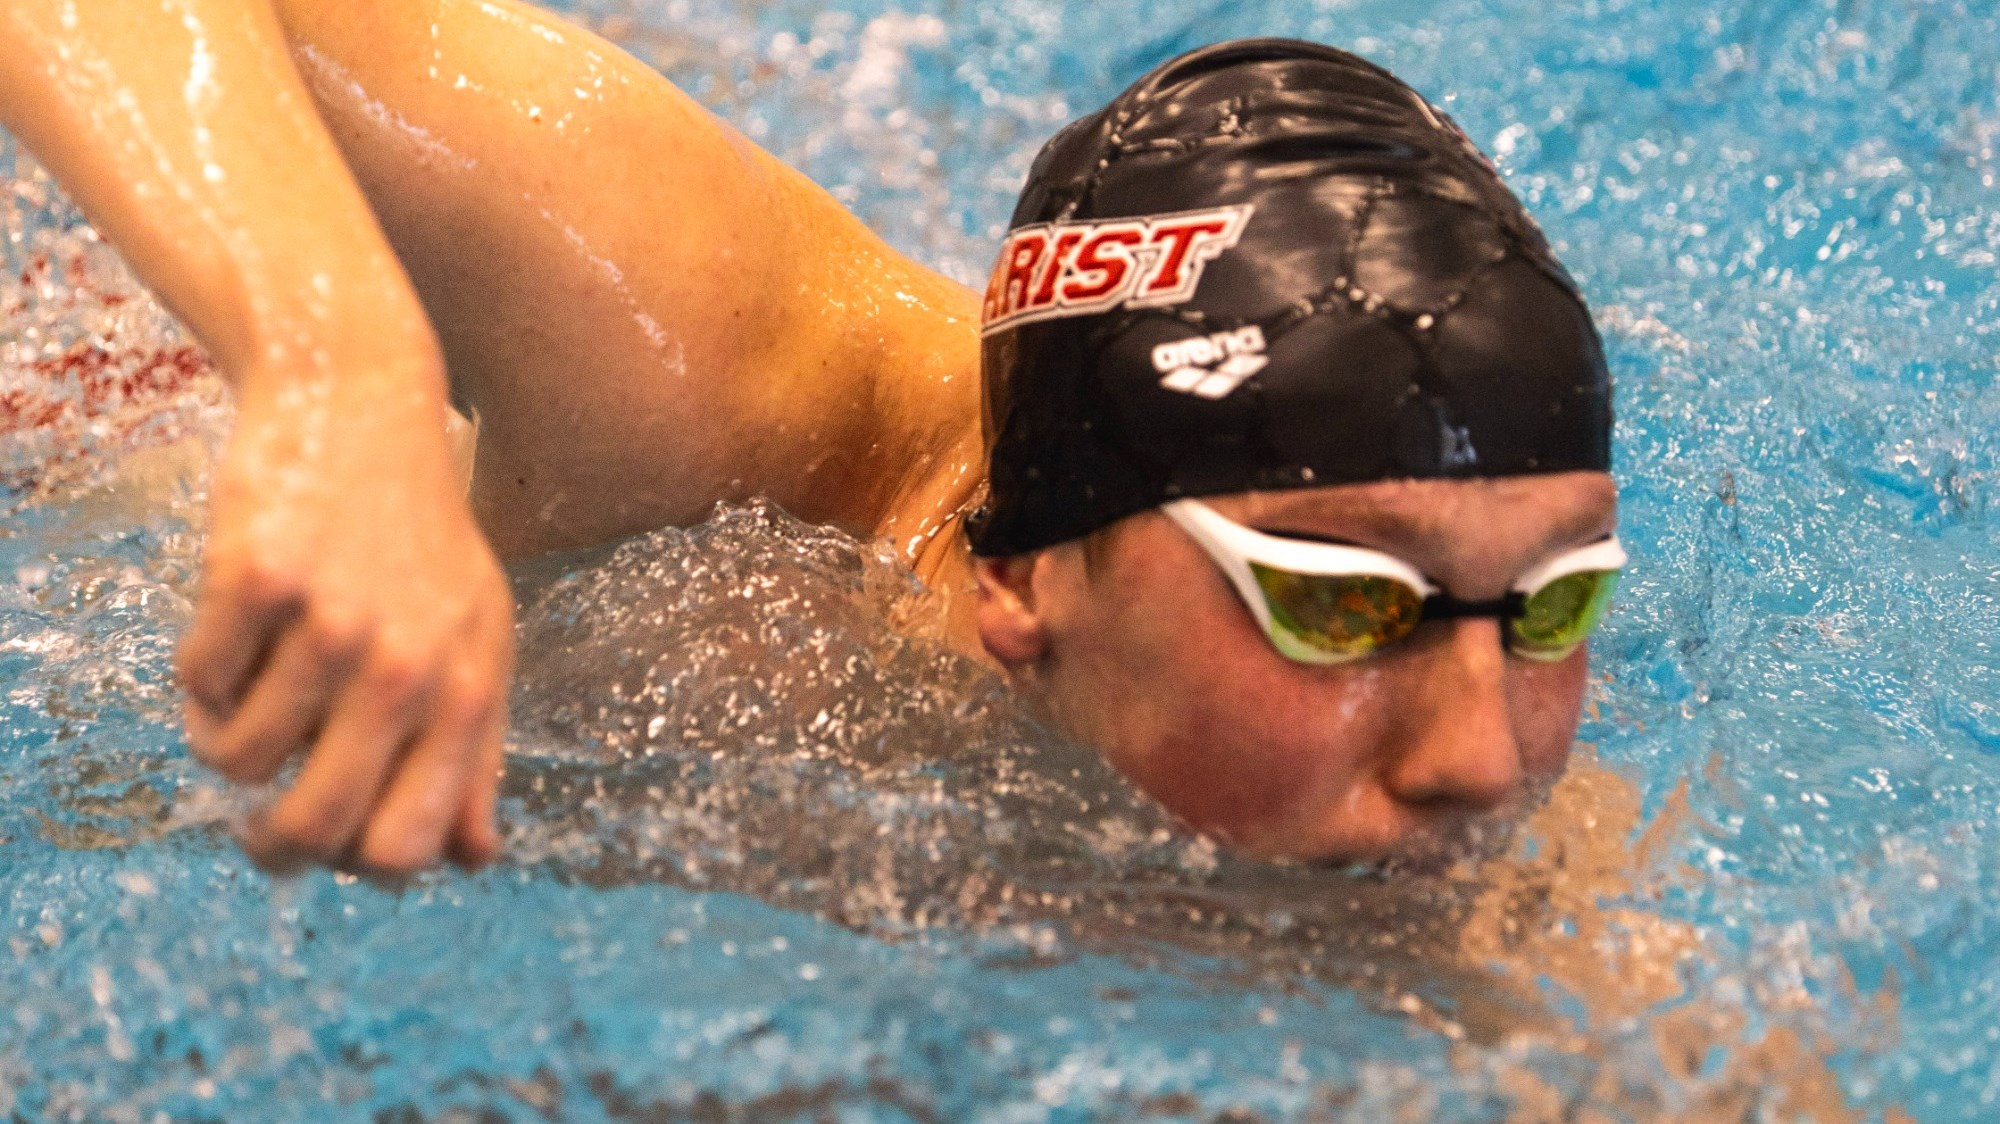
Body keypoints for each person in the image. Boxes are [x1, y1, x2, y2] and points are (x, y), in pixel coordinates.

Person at [0, 1, 1619, 875]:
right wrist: (330, 376)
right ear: (1020, 576)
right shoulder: (690, 355)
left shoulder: (1464, 825)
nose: (1483, 763)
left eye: (1556, 605)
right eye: (1341, 605)